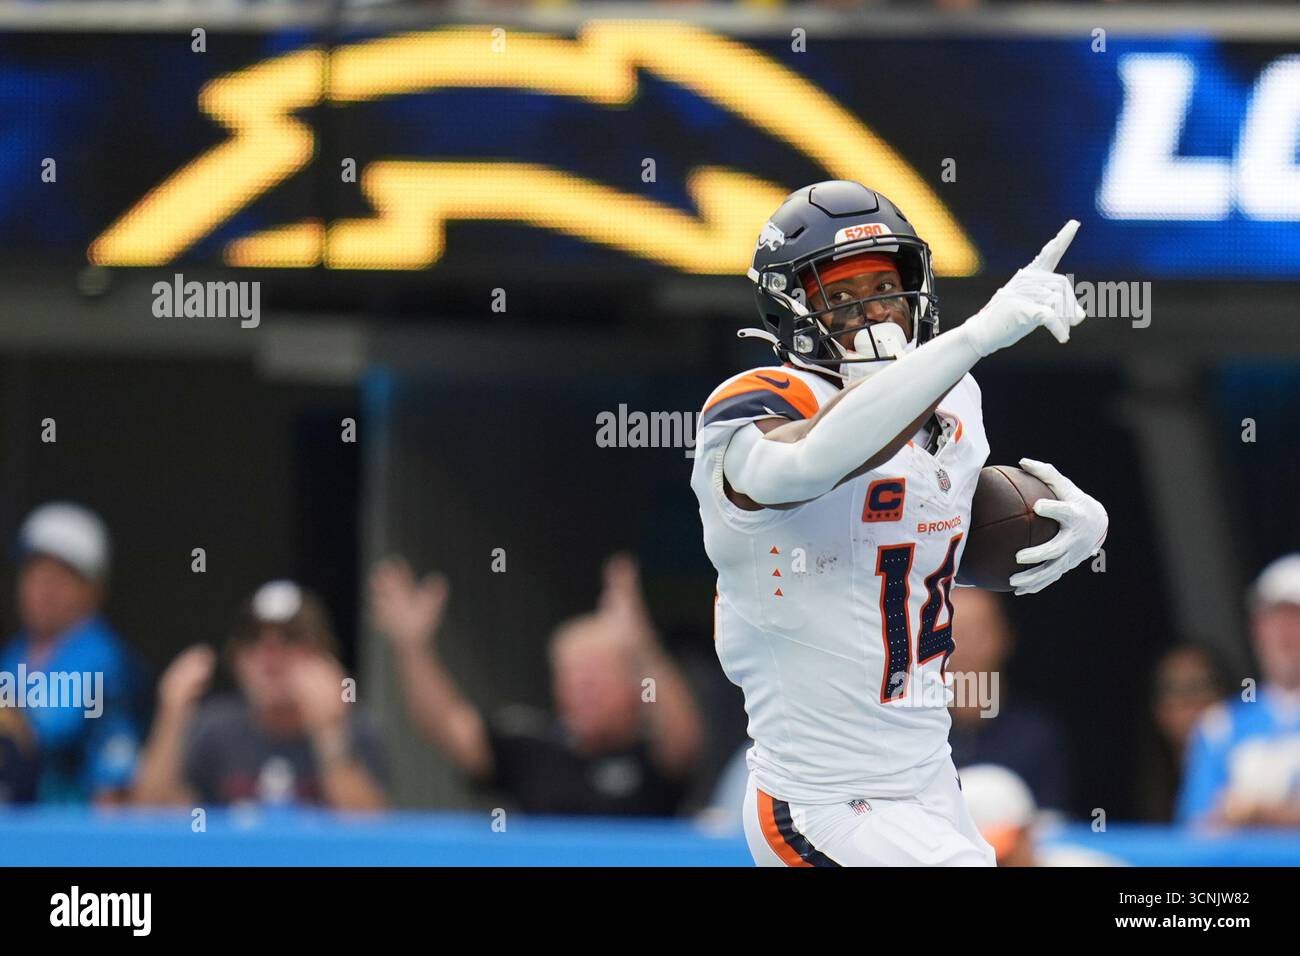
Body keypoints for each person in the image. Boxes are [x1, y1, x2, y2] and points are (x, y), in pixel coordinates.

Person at [692, 180, 1108, 866]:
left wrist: (1076, 525)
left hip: (928, 777)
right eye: (842, 297)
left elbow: (918, 545)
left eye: (883, 287)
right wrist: (975, 337)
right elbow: (815, 463)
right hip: (820, 797)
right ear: (793, 310)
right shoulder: (753, 405)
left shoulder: (955, 397)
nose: (874, 313)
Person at [369, 552, 702, 815]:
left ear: (635, 688)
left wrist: (643, 647)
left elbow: (684, 737)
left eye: (596, 679)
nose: (583, 692)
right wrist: (412, 649)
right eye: (571, 679)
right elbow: (448, 726)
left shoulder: (656, 754)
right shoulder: (532, 748)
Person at [133, 580, 388, 810]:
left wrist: (330, 734)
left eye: (290, 638)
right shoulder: (215, 731)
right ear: (236, 659)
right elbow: (152, 821)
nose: (270, 656)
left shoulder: (355, 730)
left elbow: (372, 841)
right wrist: (172, 715)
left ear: (322, 656)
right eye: (253, 638)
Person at [0, 502, 144, 804]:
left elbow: (41, 731)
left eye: (59, 578)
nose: (44, 590)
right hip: (18, 826)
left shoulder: (103, 655)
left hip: (80, 828)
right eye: (35, 575)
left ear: (95, 590)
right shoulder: (17, 652)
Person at [1176, 554, 1300, 828]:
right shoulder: (1220, 725)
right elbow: (1196, 831)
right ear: (1257, 629)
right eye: (1274, 619)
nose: (1285, 634)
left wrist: (1263, 814)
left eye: (1296, 619)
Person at [947, 587, 1072, 815]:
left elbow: (1051, 824)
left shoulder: (1035, 734)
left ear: (1005, 637)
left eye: (975, 632)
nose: (962, 647)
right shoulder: (914, 733)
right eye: (950, 634)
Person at [1137, 644, 1225, 821]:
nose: (1187, 701)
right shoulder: (1147, 785)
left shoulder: (1245, 769)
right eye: (1172, 690)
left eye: (1199, 687)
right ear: (1157, 709)